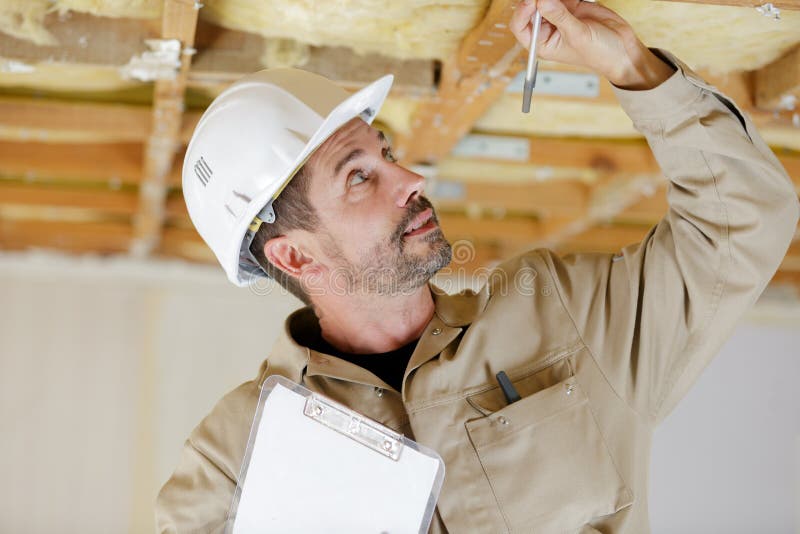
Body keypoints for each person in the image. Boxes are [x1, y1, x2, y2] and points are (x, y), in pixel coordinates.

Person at [156, 0, 799, 531]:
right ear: (295, 255)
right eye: (360, 177)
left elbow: (745, 222)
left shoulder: (563, 316)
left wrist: (633, 66)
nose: (411, 178)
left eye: (387, 154)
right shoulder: (234, 456)